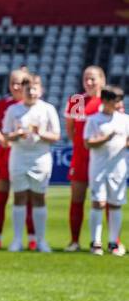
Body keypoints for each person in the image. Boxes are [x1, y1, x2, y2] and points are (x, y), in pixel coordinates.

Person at [0, 74, 60, 252]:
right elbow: (5, 135)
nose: (31, 92)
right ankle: (17, 240)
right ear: (22, 90)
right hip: (18, 156)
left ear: (40, 90)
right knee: (19, 197)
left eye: (35, 88)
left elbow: (56, 136)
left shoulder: (48, 109)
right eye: (28, 88)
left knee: (39, 198)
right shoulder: (13, 110)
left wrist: (40, 132)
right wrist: (17, 134)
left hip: (40, 158)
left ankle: (40, 241)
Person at [0, 67, 35, 250]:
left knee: (28, 198)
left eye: (20, 83)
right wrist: (3, 140)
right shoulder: (2, 104)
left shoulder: (34, 106)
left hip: (25, 156)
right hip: (4, 155)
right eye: (12, 83)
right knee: (1, 198)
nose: (15, 87)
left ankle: (31, 238)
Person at [65, 65, 108, 251]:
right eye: (86, 79)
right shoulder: (76, 100)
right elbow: (70, 129)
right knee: (77, 198)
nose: (89, 82)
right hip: (81, 157)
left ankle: (112, 241)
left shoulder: (109, 101)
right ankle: (74, 241)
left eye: (93, 78)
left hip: (103, 158)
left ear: (102, 80)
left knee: (106, 200)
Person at [82, 86, 128, 256]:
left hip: (119, 168)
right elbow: (87, 143)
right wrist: (106, 138)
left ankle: (113, 243)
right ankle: (96, 242)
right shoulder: (94, 120)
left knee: (116, 204)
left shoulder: (125, 120)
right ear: (106, 101)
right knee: (98, 203)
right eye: (116, 100)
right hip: (99, 167)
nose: (119, 104)